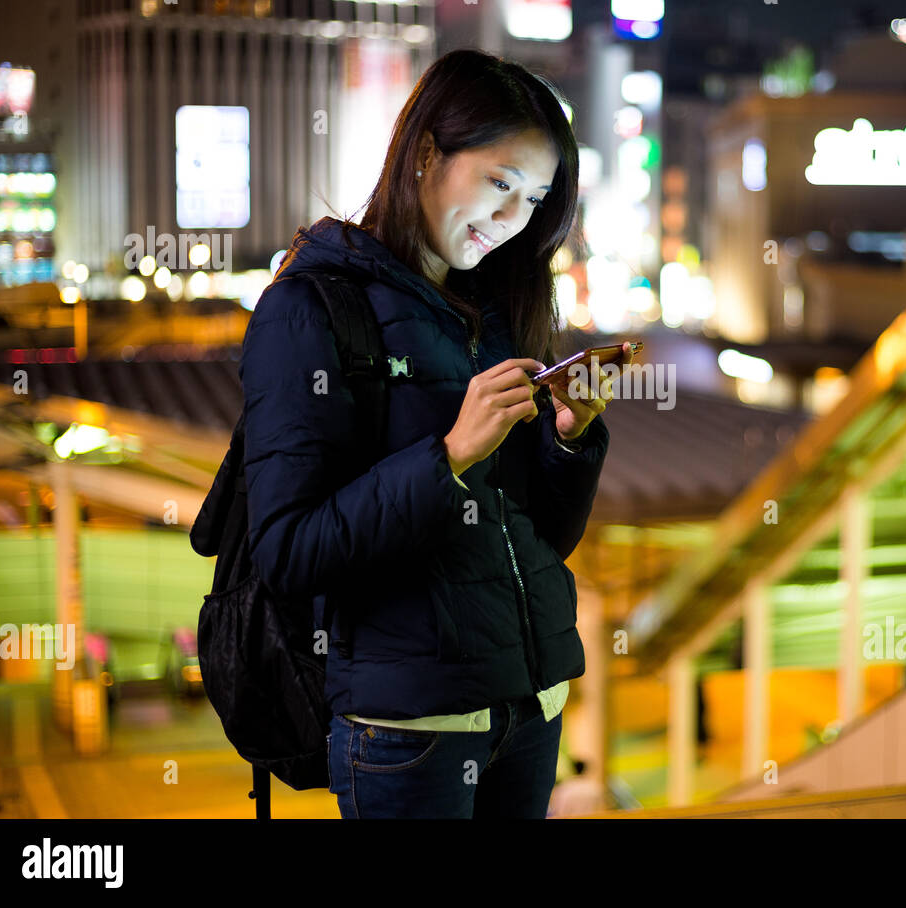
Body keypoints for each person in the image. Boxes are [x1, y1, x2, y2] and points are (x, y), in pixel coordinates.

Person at [240, 49, 633, 818]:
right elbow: (287, 549)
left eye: (533, 197)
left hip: (530, 709)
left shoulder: (491, 315)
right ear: (426, 152)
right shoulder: (309, 311)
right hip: (407, 729)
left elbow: (546, 536)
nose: (510, 218)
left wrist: (569, 439)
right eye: (498, 182)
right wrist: (450, 455)